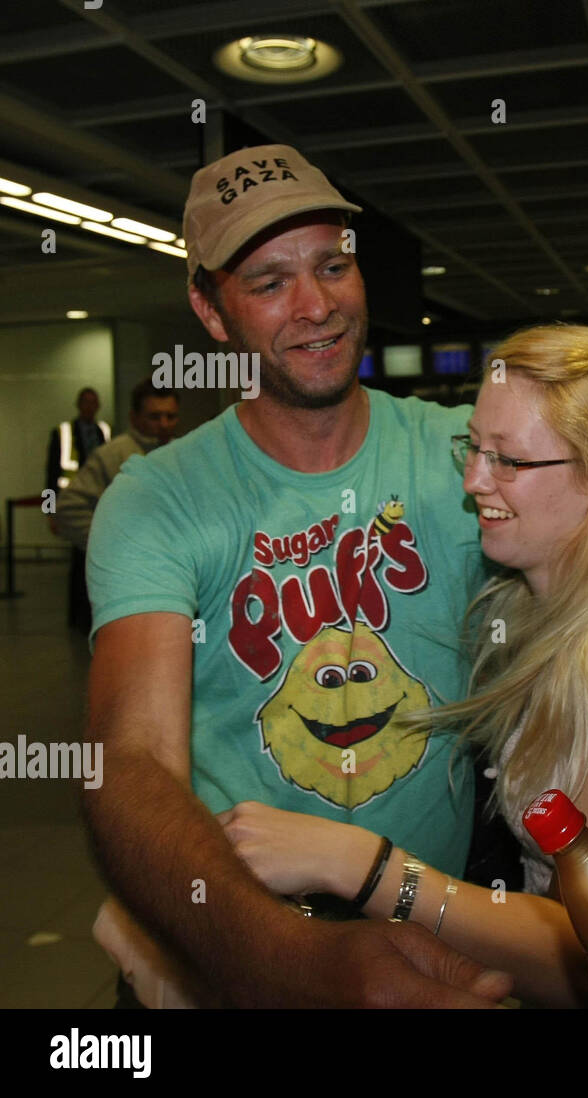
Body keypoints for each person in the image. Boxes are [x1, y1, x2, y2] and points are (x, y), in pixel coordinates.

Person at [216, 325, 588, 1008]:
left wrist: (361, 868)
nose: (473, 480)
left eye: (508, 460)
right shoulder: (539, 607)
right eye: (473, 447)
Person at [82, 143, 512, 1009]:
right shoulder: (158, 499)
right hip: (236, 943)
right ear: (210, 310)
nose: (315, 307)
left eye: (332, 265)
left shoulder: (463, 453)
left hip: (443, 927)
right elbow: (129, 764)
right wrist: (298, 967)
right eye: (269, 282)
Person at [56, 380, 180, 552]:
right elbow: (68, 508)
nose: (164, 424)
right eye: (154, 417)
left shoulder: (184, 454)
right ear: (134, 418)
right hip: (129, 567)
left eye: (170, 416)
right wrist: (116, 545)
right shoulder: (112, 455)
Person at [47, 386, 111, 630]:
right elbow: (51, 475)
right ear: (78, 404)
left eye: (94, 402)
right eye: (85, 402)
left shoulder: (104, 431)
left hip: (99, 503)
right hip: (73, 506)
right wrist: (50, 511)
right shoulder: (63, 433)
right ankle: (77, 618)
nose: (89, 406)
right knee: (78, 562)